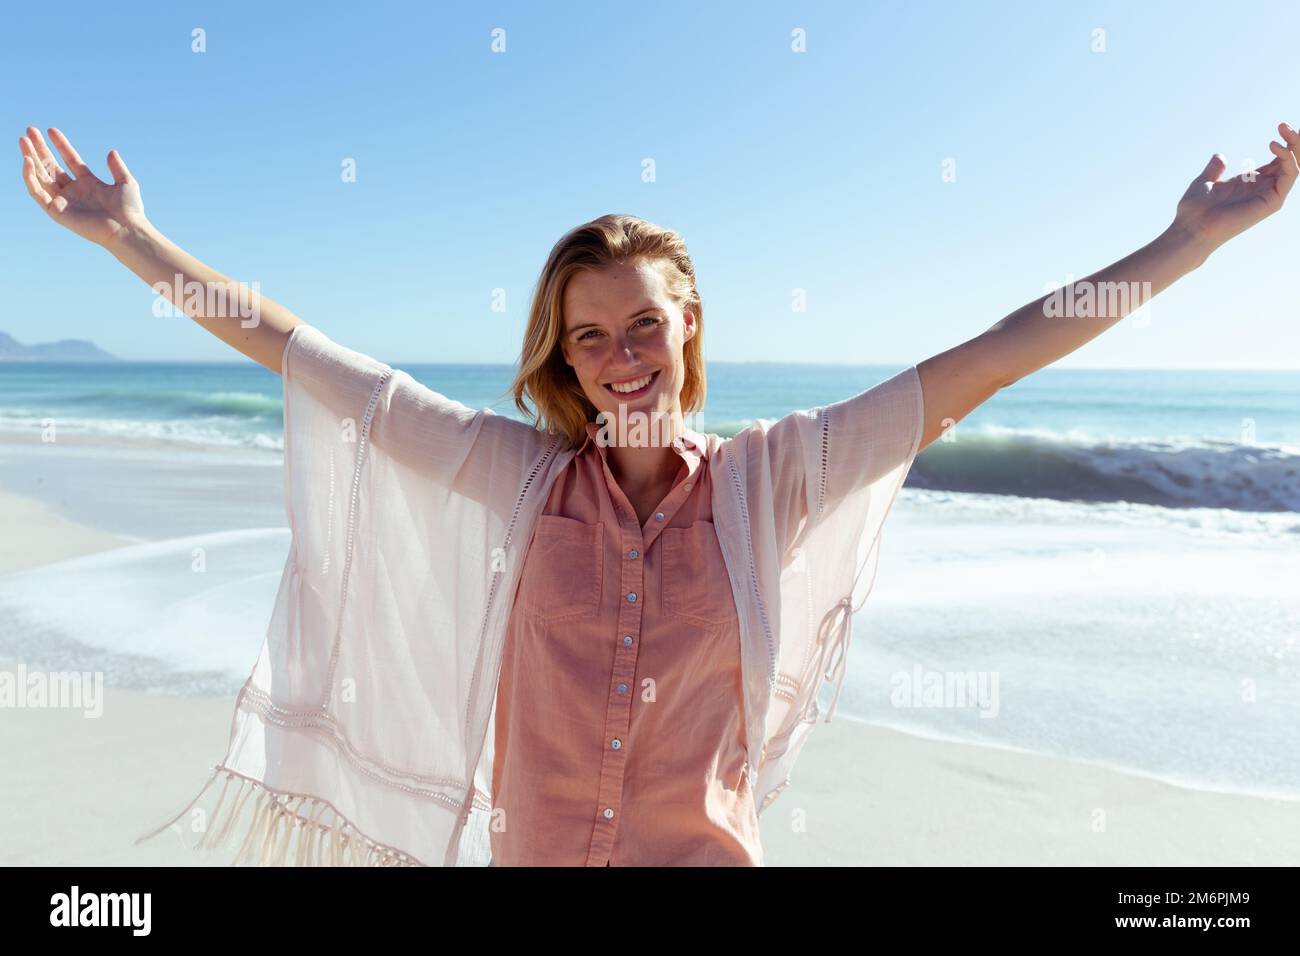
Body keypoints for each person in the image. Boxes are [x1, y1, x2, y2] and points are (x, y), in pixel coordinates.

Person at [17, 125, 1298, 866]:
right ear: (561, 358)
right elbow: (316, 365)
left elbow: (990, 357)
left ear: (686, 328)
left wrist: (1188, 241)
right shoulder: (516, 482)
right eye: (590, 337)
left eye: (643, 324)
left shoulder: (771, 477)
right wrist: (134, 239)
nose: (622, 354)